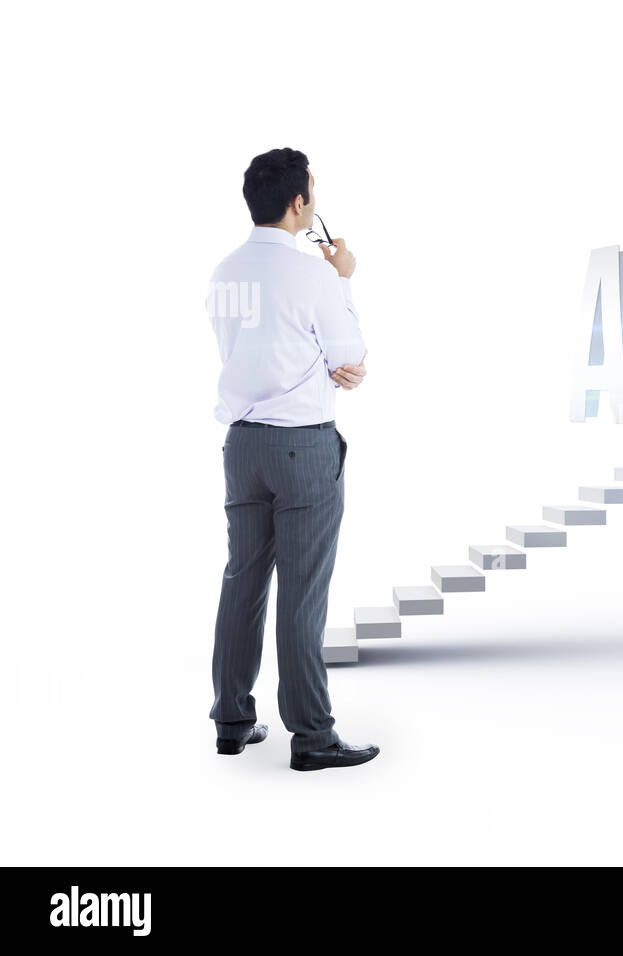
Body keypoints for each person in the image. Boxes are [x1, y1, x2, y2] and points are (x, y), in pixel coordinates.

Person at [206, 147, 379, 771]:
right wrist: (344, 277)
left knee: (242, 583)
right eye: (313, 191)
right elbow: (350, 353)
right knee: (303, 596)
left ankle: (232, 721)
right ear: (299, 202)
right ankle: (312, 737)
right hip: (302, 445)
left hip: (243, 445)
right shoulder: (315, 276)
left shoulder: (224, 272)